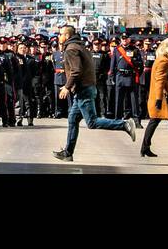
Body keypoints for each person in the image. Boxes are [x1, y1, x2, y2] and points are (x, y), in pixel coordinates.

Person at [51, 25, 135, 162]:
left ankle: (124, 124)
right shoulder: (80, 46)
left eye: (60, 34)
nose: (59, 36)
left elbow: (76, 71)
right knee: (72, 120)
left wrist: (67, 87)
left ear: (66, 36)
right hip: (84, 89)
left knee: (92, 122)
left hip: (83, 90)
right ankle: (68, 152)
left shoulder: (71, 49)